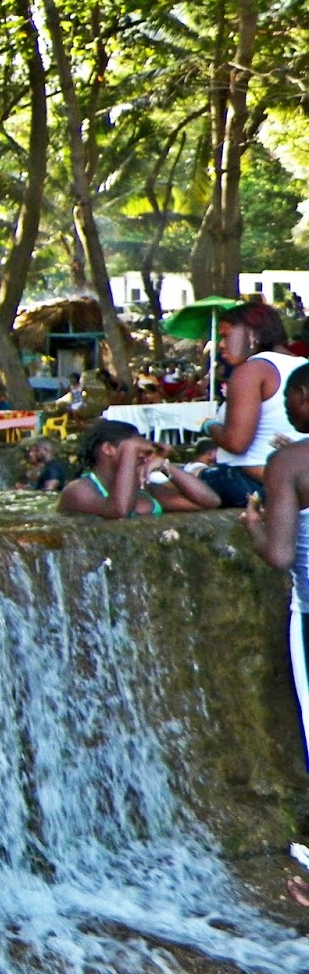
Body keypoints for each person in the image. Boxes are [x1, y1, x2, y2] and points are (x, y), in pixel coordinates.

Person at [238, 363, 309, 773]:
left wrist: (254, 526)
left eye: (287, 400)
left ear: (304, 396)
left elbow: (279, 556)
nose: (286, 409)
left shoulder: (290, 462)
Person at [199, 303, 308, 506]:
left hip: (250, 481)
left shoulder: (252, 370)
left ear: (252, 334)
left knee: (168, 480)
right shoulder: (303, 365)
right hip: (299, 480)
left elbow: (236, 443)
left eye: (226, 335)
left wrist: (209, 426)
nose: (220, 344)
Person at [59, 420, 220, 517]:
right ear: (108, 449)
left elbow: (209, 501)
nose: (142, 455)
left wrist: (165, 465)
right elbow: (120, 511)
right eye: (136, 449)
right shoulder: (78, 490)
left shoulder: (145, 489)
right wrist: (130, 448)